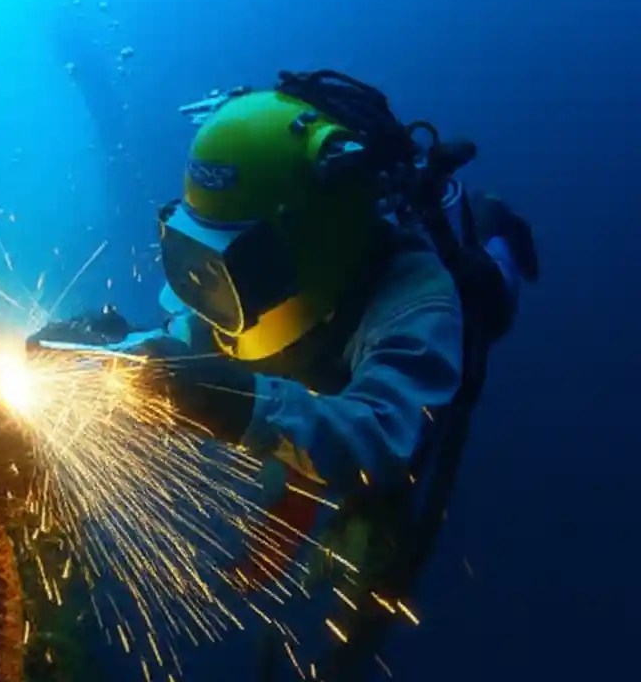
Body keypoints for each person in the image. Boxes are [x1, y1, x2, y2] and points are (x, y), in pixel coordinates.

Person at [29, 70, 539, 679]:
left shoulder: (418, 302)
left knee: (486, 291)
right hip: (304, 365)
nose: (204, 288)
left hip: (381, 377)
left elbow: (379, 437)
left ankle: (493, 226)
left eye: (227, 267)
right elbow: (203, 331)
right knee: (292, 443)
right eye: (193, 255)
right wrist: (125, 344)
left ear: (300, 247)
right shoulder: (253, 271)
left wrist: (225, 398)